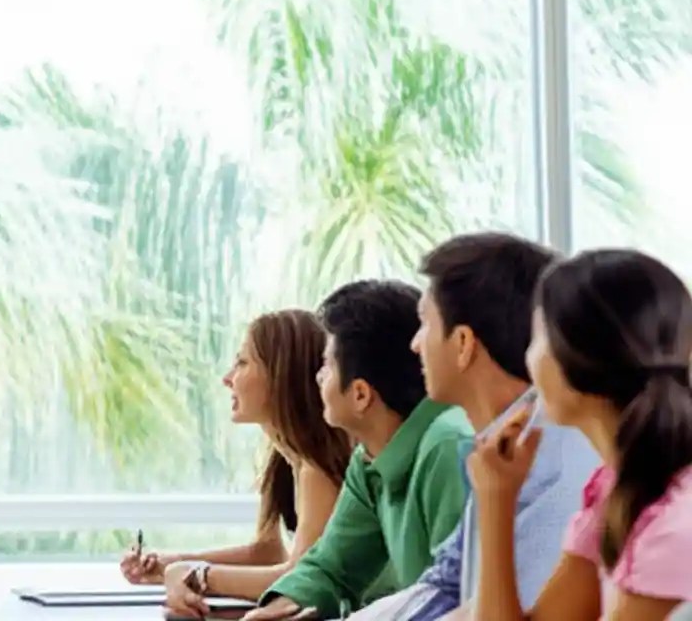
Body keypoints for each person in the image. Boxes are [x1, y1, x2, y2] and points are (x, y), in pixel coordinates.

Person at [343, 233, 599, 620]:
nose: (415, 345)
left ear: (463, 343)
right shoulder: (503, 444)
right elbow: (446, 584)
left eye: (424, 324)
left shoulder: (552, 465)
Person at [470, 248, 692, 620]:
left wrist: (494, 499)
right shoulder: (617, 490)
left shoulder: (672, 530)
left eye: (536, 336)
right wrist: (496, 496)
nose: (527, 359)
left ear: (576, 357)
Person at [245, 280, 473, 620]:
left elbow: (457, 595)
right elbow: (331, 567)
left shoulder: (449, 448)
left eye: (327, 365)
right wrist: (280, 608)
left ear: (361, 394)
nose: (318, 377)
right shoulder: (369, 460)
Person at [127, 311, 354, 617]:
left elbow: (300, 579)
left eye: (242, 363)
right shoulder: (282, 456)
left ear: (279, 375)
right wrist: (171, 564)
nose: (227, 378)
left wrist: (198, 574)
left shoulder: (317, 468)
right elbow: (267, 551)